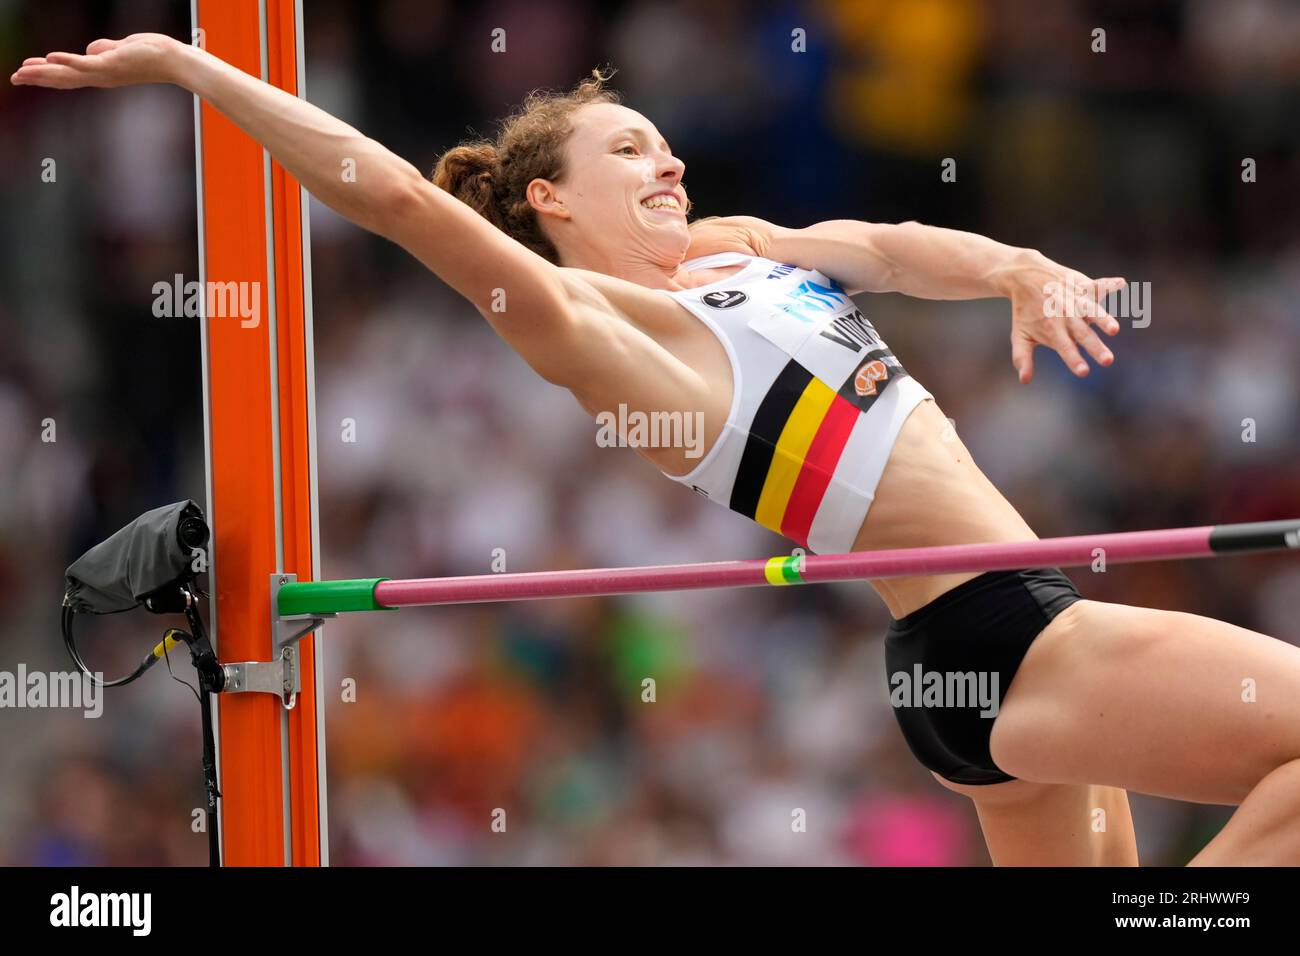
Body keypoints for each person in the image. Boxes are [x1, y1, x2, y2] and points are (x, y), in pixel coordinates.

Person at [13, 34, 1300, 866]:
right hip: (1010, 643)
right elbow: (391, 194)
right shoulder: (598, 330)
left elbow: (898, 245)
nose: (668, 158)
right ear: (547, 205)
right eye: (628, 149)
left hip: (973, 658)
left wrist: (1017, 268)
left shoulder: (731, 250)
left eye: (661, 140)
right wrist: (195, 72)